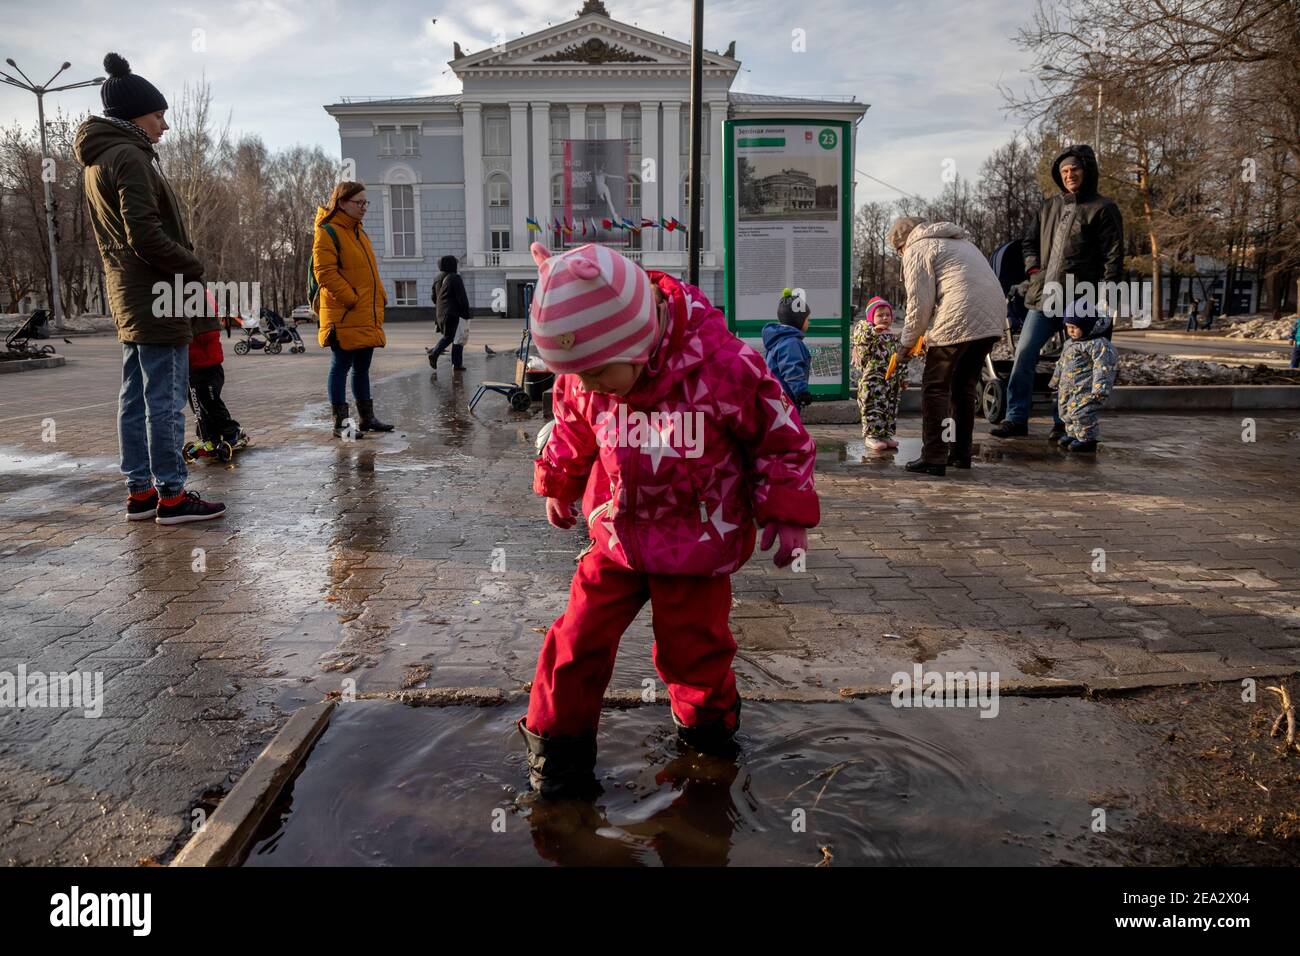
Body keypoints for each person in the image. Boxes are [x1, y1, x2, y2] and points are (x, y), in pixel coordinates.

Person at [521, 241, 820, 798]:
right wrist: (559, 481)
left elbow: (779, 435)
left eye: (596, 374)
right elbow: (572, 422)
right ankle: (557, 753)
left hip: (697, 544)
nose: (587, 386)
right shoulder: (591, 369)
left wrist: (784, 508)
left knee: (693, 652)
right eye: (576, 375)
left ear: (636, 338)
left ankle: (707, 743)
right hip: (616, 536)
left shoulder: (723, 368)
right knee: (576, 641)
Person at [75, 52, 225, 525]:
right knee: (164, 399)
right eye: (159, 114)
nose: (165, 125)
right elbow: (144, 235)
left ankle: (140, 493)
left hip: (130, 296)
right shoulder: (130, 155)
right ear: (135, 115)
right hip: (157, 296)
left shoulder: (98, 160)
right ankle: (173, 497)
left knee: (133, 397)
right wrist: (192, 263)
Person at [991, 144, 1124, 440]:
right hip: (1044, 296)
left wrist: (1104, 300)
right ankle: (1016, 417)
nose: (1069, 175)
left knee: (1074, 363)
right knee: (1024, 353)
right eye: (1064, 171)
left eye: (1074, 169)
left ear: (1087, 171)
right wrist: (1034, 271)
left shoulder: (1103, 209)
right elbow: (1028, 243)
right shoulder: (1049, 207)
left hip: (1082, 301)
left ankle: (1064, 422)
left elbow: (1114, 257)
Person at [891, 217, 1005, 476]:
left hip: (960, 317)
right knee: (963, 386)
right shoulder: (961, 243)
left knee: (935, 387)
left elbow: (919, 307)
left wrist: (905, 345)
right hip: (992, 318)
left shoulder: (917, 249)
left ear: (901, 246)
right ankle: (960, 453)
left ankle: (934, 456)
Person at [313, 181, 393, 436]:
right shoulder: (327, 232)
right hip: (345, 314)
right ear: (342, 203)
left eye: (365, 202)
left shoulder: (359, 232)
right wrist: (351, 298)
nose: (363, 208)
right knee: (340, 367)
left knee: (362, 369)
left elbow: (370, 272)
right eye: (358, 203)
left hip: (365, 313)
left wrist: (380, 296)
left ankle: (367, 418)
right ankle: (341, 424)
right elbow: (324, 273)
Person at [1050, 305, 1118, 453]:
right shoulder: (1070, 344)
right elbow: (1061, 363)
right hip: (1068, 388)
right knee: (1065, 411)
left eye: (1074, 327)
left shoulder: (1099, 345)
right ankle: (1073, 435)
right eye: (1068, 327)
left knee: (1081, 412)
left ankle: (1087, 439)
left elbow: (1103, 367)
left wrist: (1101, 388)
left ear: (1087, 326)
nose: (1071, 331)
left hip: (1086, 389)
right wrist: (1055, 380)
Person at [851, 296, 906, 452]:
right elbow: (862, 342)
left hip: (890, 383)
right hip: (873, 383)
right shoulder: (868, 334)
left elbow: (898, 358)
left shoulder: (892, 337)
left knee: (889, 408)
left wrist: (902, 377)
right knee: (873, 409)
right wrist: (873, 332)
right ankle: (871, 436)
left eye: (887, 315)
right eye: (880, 315)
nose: (884, 318)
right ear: (871, 318)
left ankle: (886, 434)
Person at [187, 307, 243, 449]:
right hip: (191, 368)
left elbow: (207, 336)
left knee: (210, 401)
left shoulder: (205, 313)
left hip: (210, 367)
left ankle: (232, 430)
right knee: (197, 404)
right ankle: (208, 436)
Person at [761, 287, 813, 410]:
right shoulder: (791, 343)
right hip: (785, 399)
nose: (809, 323)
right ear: (798, 321)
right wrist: (801, 392)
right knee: (787, 427)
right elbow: (792, 369)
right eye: (807, 319)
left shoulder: (779, 339)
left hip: (776, 397)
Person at [427, 255, 469, 371]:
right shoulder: (455, 277)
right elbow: (462, 297)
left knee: (454, 337)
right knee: (455, 337)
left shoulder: (437, 278)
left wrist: (442, 307)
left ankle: (456, 364)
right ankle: (435, 354)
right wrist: (466, 313)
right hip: (453, 313)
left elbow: (433, 298)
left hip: (441, 313)